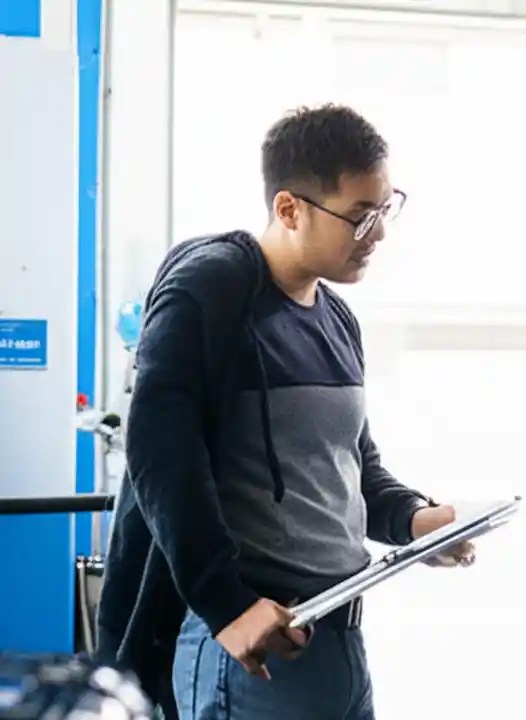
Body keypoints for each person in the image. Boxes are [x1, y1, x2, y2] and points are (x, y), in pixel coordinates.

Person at [95, 104, 474, 720]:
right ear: (289, 209)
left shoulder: (335, 318)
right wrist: (226, 605)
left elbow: (352, 466)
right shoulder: (210, 288)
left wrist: (415, 520)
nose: (378, 232)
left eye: (384, 209)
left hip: (340, 636)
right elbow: (161, 455)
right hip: (258, 650)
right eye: (359, 215)